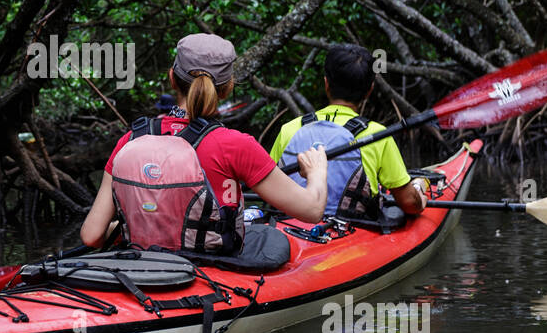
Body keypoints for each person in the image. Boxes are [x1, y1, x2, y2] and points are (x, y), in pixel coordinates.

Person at [80, 33, 327, 268]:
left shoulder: (131, 139)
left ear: (172, 78)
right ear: (228, 87)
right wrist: (317, 172)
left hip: (142, 271)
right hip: (210, 274)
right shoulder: (236, 145)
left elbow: (91, 236)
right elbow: (312, 211)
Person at [269, 43, 429, 221]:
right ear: (369, 90)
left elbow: (268, 187)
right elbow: (408, 202)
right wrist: (420, 198)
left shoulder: (289, 129)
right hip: (348, 233)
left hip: (289, 227)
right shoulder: (377, 135)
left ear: (326, 84)